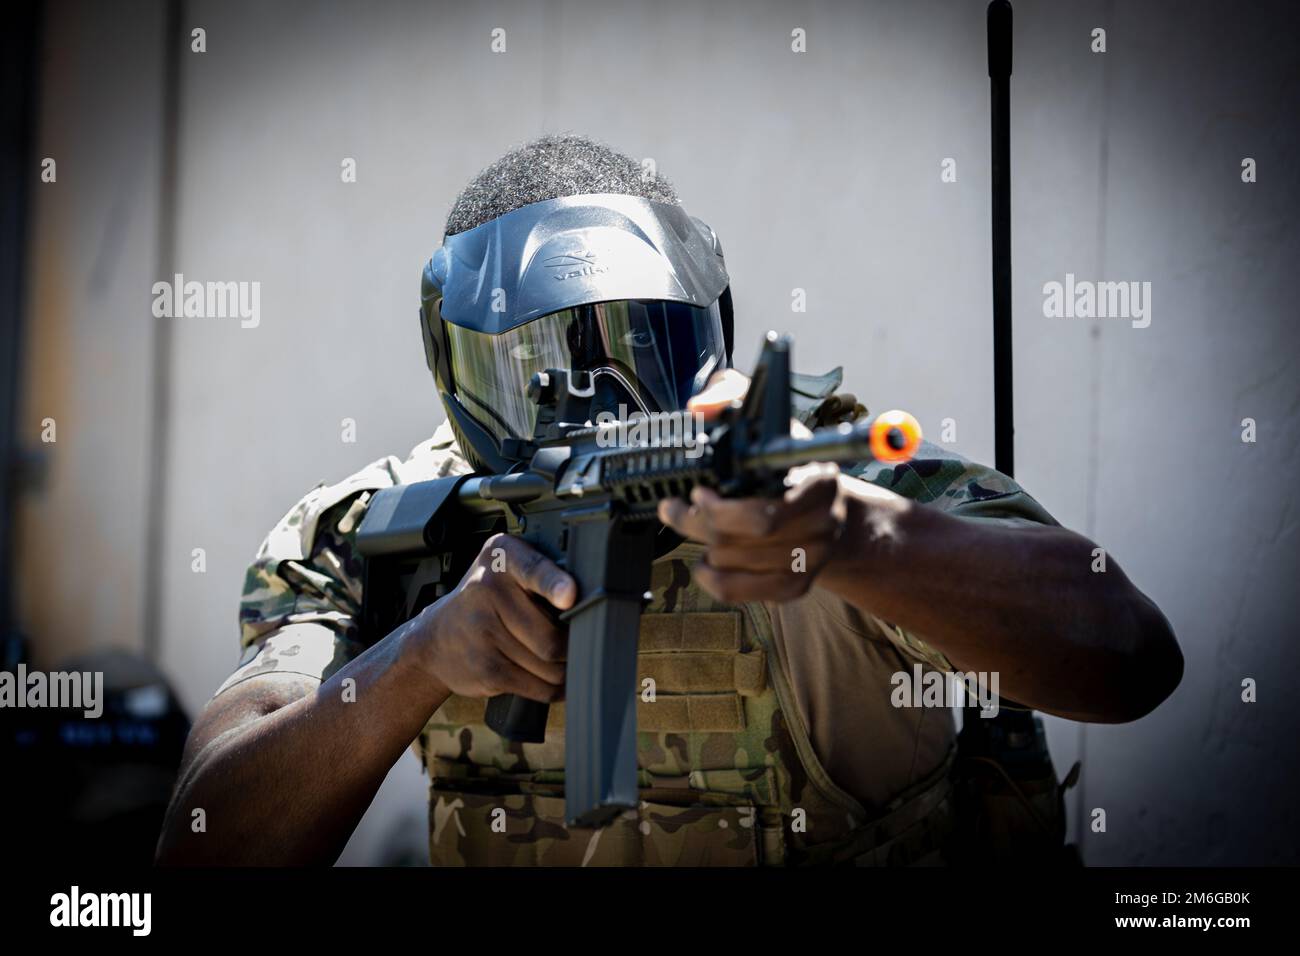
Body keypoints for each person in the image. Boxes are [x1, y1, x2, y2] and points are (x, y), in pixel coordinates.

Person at [156, 134, 1182, 866]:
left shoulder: (808, 489)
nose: (601, 400)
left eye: (640, 342)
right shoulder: (380, 526)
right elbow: (204, 840)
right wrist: (416, 658)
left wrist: (853, 541)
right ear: (457, 371)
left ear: (708, 330)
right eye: (548, 364)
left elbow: (1130, 653)